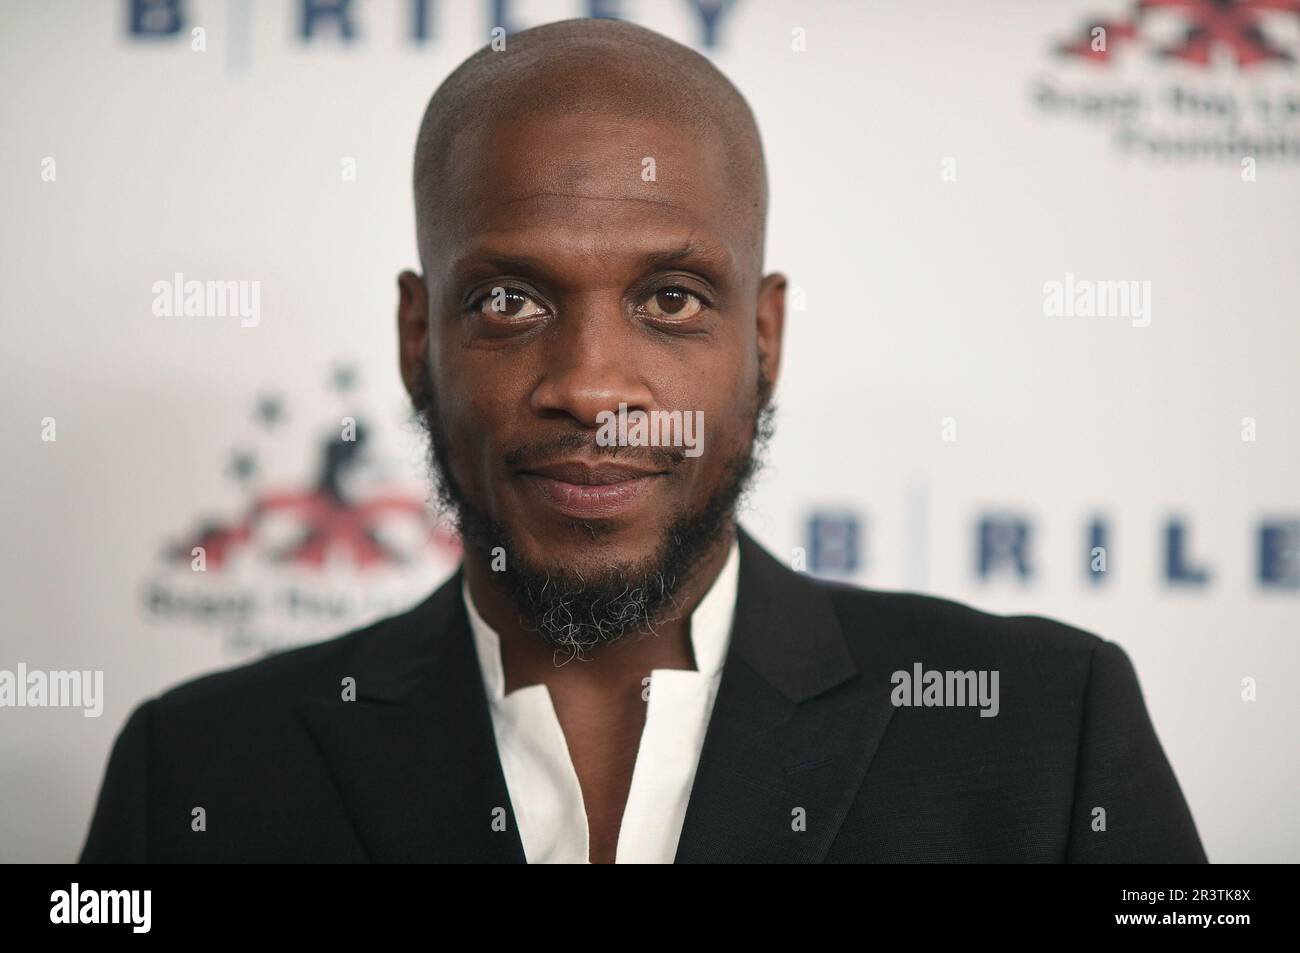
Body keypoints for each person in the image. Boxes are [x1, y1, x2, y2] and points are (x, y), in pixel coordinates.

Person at [80, 17, 1206, 864]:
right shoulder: (198, 773)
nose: (589, 385)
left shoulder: (1044, 728)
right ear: (417, 334)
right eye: (511, 300)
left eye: (670, 299)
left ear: (763, 336)